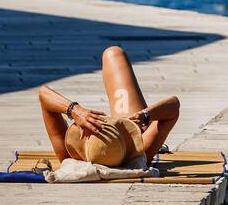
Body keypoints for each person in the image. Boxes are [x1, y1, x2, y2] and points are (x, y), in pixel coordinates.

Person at [37, 46, 180, 166]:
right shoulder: (140, 152)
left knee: (112, 54)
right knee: (114, 53)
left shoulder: (71, 157)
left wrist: (75, 110)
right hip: (128, 124)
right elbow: (174, 106)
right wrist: (145, 116)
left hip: (119, 138)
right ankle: (131, 128)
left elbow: (44, 94)